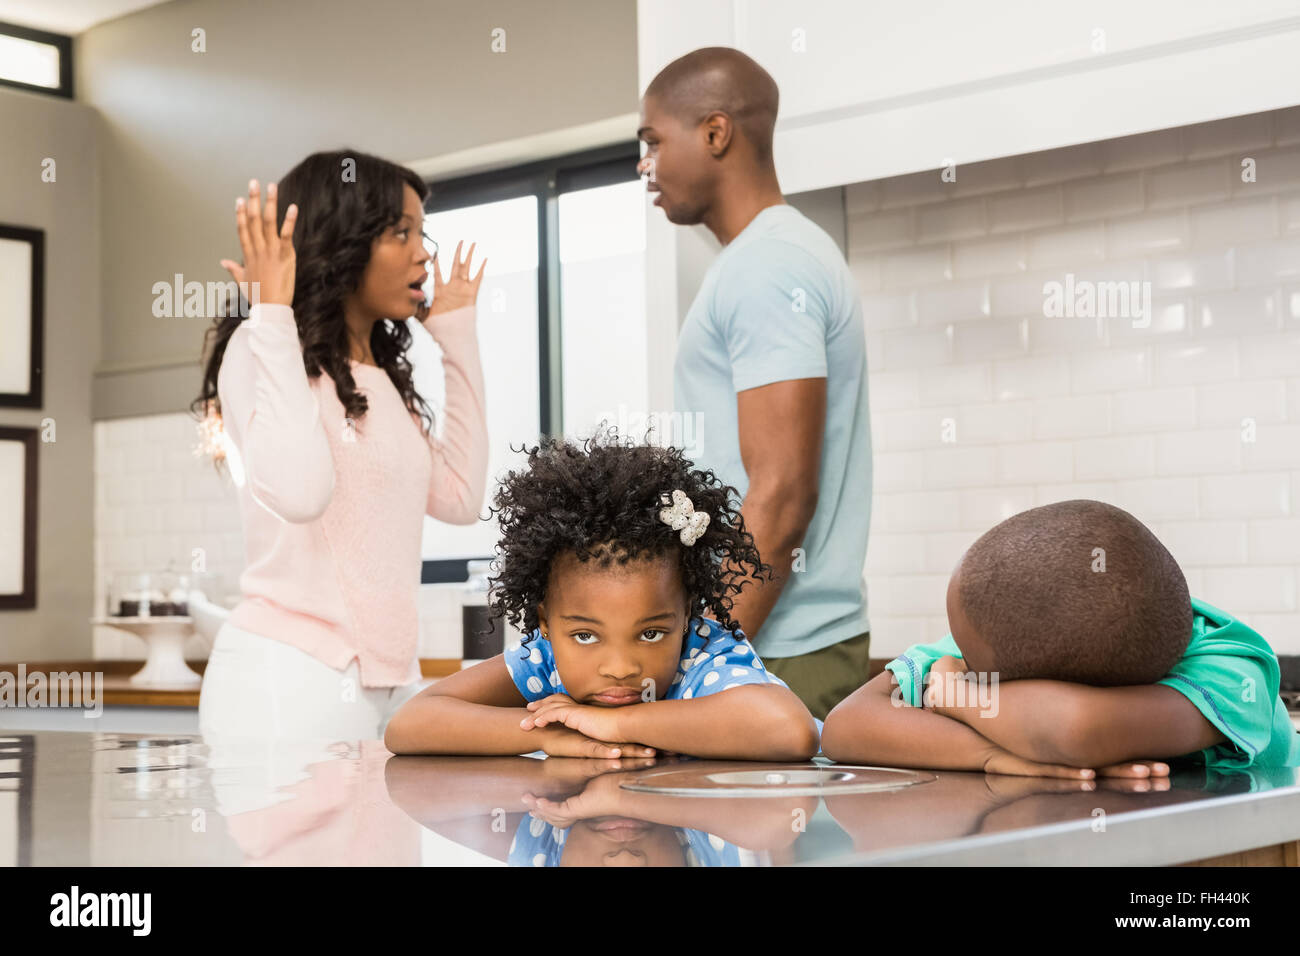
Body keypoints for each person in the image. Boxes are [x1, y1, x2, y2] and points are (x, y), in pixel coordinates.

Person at [192, 149, 489, 741]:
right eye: (400, 232)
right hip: (288, 679)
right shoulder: (259, 350)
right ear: (345, 241)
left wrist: (456, 338)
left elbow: (461, 497)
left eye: (422, 233)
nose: (423, 251)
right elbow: (302, 493)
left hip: (389, 683)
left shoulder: (380, 381)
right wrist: (273, 311)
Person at [638, 47, 873, 721]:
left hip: (775, 650)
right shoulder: (771, 257)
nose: (643, 165)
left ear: (716, 133)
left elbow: (783, 492)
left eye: (653, 142)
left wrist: (702, 653)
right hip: (775, 645)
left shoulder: (768, 266)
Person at [384, 430, 821, 760]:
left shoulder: (702, 654)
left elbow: (790, 730)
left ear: (686, 616)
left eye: (650, 634)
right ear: (545, 622)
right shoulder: (546, 657)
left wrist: (615, 723)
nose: (620, 668)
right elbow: (409, 725)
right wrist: (555, 736)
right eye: (586, 636)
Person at [822, 500, 1300, 776]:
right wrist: (997, 754)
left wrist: (955, 694)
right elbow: (847, 725)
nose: (953, 654)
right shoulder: (1035, 636)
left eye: (965, 654)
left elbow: (1077, 729)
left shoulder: (1235, 669)